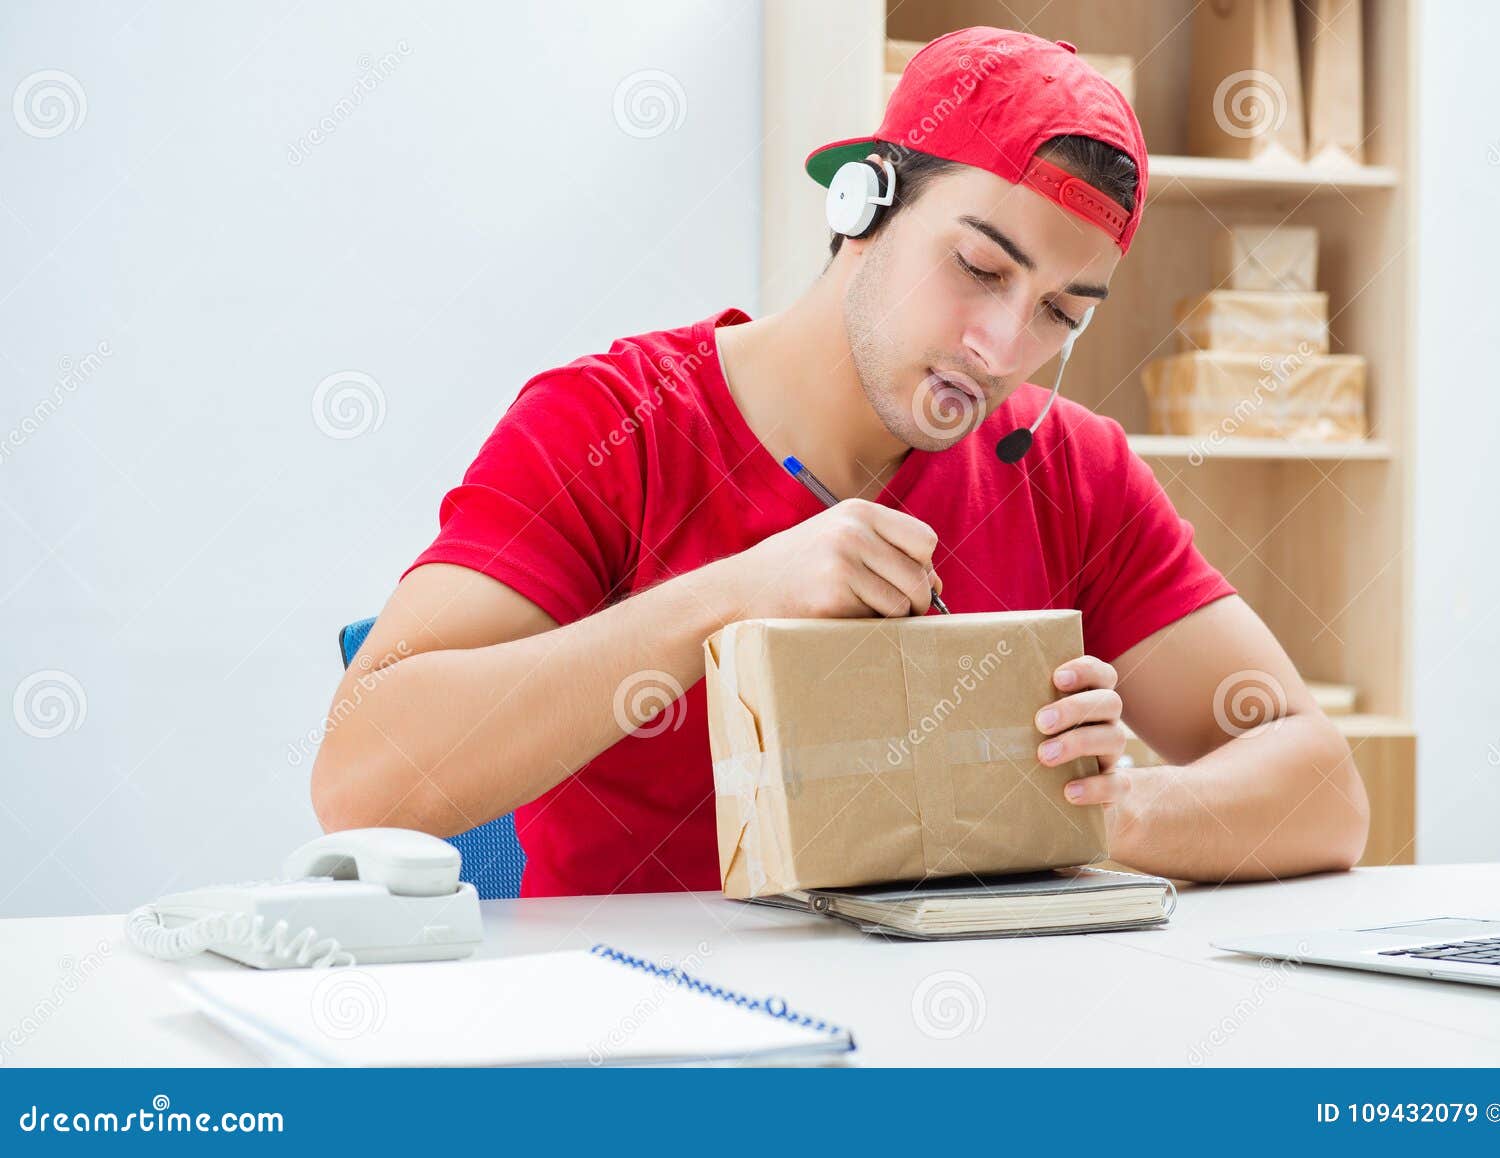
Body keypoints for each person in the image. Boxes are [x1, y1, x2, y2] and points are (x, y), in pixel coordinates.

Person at [311, 27, 1369, 896]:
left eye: (1059, 311)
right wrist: (733, 597)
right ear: (862, 204)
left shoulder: (1070, 470)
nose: (1000, 347)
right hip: (654, 1032)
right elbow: (360, 781)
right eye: (979, 267)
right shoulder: (613, 424)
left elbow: (1324, 791)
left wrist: (1110, 806)